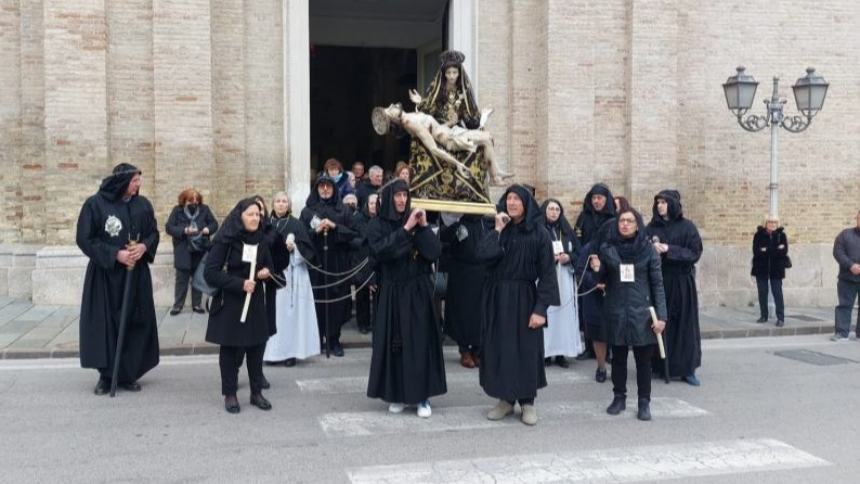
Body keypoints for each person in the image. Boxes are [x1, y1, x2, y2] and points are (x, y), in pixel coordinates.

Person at [477, 185, 559, 426]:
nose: (511, 203)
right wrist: (498, 230)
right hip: (497, 296)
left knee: (525, 350)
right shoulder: (497, 228)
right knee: (501, 348)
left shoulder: (539, 233)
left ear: (526, 203)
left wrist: (540, 309)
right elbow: (482, 256)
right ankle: (505, 399)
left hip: (525, 297)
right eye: (508, 198)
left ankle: (527, 402)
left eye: (516, 199)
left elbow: (547, 274)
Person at [76, 163, 160, 395]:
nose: (138, 185)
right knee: (106, 325)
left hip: (136, 275)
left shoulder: (143, 205)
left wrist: (144, 246)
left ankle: (127, 373)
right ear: (122, 182)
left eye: (138, 181)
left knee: (135, 323)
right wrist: (116, 254)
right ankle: (106, 375)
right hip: (106, 276)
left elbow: (154, 233)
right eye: (134, 181)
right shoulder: (95, 204)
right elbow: (84, 238)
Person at [366, 179, 447, 418]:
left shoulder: (419, 223)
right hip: (391, 291)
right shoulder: (377, 224)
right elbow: (381, 252)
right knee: (395, 345)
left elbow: (434, 253)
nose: (402, 200)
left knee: (419, 344)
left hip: (418, 292)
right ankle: (397, 393)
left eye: (405, 195)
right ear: (389, 198)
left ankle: (422, 397)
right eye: (397, 196)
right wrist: (404, 230)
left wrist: (420, 228)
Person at [591, 208, 667, 421]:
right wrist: (597, 268)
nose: (625, 224)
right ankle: (619, 397)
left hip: (642, 311)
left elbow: (658, 284)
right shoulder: (608, 248)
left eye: (630, 221)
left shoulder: (648, 250)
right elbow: (601, 278)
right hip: (616, 310)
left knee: (644, 361)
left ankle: (644, 401)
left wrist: (662, 317)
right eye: (622, 220)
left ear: (637, 225)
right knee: (618, 358)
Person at [204, 198, 274, 414]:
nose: (255, 218)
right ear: (239, 217)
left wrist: (265, 272)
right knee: (230, 350)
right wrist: (240, 284)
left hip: (254, 303)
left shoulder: (261, 240)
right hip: (231, 302)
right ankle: (230, 394)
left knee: (256, 347)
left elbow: (268, 266)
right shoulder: (225, 240)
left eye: (257, 215)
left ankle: (256, 392)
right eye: (250, 214)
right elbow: (211, 273)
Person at [372, 102, 511, 186]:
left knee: (486, 137)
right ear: (394, 120)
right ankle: (494, 177)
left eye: (388, 107)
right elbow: (434, 148)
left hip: (452, 131)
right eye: (389, 110)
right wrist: (457, 163)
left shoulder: (408, 116)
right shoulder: (411, 123)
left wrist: (451, 122)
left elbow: (435, 127)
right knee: (487, 138)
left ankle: (495, 172)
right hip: (451, 140)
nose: (392, 106)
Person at [645, 190, 703, 386]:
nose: (660, 205)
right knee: (659, 324)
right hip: (659, 281)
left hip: (681, 281)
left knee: (684, 325)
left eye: (664, 202)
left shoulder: (687, 227)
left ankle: (688, 368)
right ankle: (659, 365)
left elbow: (694, 252)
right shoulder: (651, 228)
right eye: (658, 202)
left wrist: (669, 249)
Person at [301, 174, 358, 357]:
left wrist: (335, 227)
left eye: (328, 187)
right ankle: (317, 338)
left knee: (337, 303)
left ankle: (334, 339)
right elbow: (302, 236)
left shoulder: (343, 211)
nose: (325, 190)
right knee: (317, 302)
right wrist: (315, 230)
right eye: (321, 187)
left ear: (334, 190)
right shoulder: (308, 211)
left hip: (337, 264)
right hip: (317, 264)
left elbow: (354, 234)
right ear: (316, 189)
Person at [263, 192, 320, 366]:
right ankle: (272, 354)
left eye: (284, 201)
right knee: (272, 315)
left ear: (288, 205)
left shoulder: (296, 224)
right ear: (272, 204)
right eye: (278, 201)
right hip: (270, 276)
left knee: (291, 317)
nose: (281, 204)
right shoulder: (265, 224)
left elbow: (309, 250)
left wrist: (295, 248)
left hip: (293, 275)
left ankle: (291, 353)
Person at [440, 213, 491, 368]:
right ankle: (464, 350)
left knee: (480, 313)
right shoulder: (459, 224)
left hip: (482, 273)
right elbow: (445, 239)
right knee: (462, 313)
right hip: (462, 273)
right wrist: (454, 227)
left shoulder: (486, 223)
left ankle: (477, 349)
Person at [574, 183, 616, 361]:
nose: (597, 201)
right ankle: (590, 348)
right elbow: (577, 241)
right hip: (587, 268)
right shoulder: (584, 217)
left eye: (600, 198)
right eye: (594, 198)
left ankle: (610, 350)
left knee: (610, 311)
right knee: (588, 311)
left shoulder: (614, 218)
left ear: (606, 200)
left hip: (608, 267)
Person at [541, 199, 583, 368]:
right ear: (544, 210)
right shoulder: (537, 229)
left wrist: (568, 257)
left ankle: (560, 353)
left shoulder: (566, 231)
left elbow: (579, 253)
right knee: (547, 314)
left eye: (557, 209)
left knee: (562, 315)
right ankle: (544, 353)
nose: (554, 212)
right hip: (544, 276)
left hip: (564, 277)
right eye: (551, 208)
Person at [165, 188, 218, 315]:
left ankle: (197, 305)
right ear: (184, 200)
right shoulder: (177, 211)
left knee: (198, 277)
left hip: (200, 249)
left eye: (196, 199)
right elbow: (169, 227)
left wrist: (207, 229)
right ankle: (178, 305)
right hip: (183, 250)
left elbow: (214, 224)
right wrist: (185, 231)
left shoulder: (204, 209)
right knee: (181, 279)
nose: (194, 202)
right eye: (191, 200)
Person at [751, 215, 789, 326]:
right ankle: (763, 315)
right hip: (761, 268)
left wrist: (766, 250)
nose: (772, 224)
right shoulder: (758, 235)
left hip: (776, 269)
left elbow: (783, 251)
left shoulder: (781, 235)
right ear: (765, 223)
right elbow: (756, 251)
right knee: (762, 293)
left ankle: (780, 318)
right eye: (770, 222)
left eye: (774, 223)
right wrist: (775, 249)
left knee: (777, 293)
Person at [351, 193, 379, 334]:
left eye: (376, 203)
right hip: (361, 261)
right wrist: (362, 241)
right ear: (367, 204)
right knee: (361, 295)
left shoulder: (383, 219)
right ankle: (363, 324)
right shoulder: (358, 219)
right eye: (371, 203)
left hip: (377, 262)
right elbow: (351, 238)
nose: (374, 205)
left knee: (378, 295)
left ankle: (378, 323)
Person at [832, 210, 860, 341]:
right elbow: (838, 252)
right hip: (847, 277)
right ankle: (841, 332)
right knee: (844, 305)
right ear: (857, 218)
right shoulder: (845, 234)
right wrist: (850, 265)